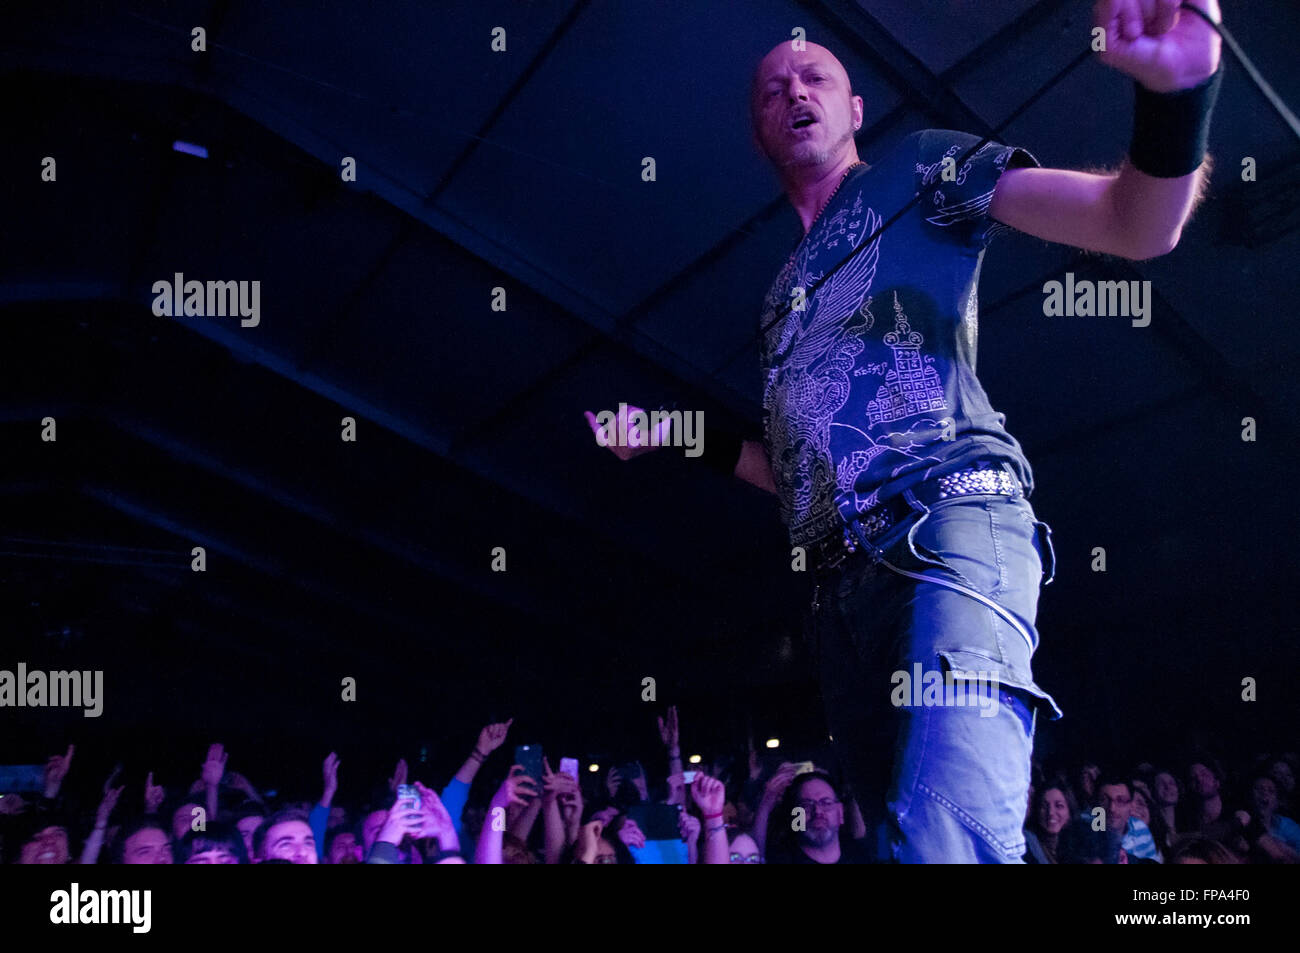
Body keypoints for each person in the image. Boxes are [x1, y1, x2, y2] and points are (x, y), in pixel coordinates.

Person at [588, 1, 1222, 862]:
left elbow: (1134, 223)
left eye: (815, 77)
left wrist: (1179, 93)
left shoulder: (921, 168)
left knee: (939, 843)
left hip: (949, 523)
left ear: (853, 111)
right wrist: (666, 429)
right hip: (842, 602)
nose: (795, 91)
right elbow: (791, 473)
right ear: (760, 131)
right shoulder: (778, 297)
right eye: (774, 89)